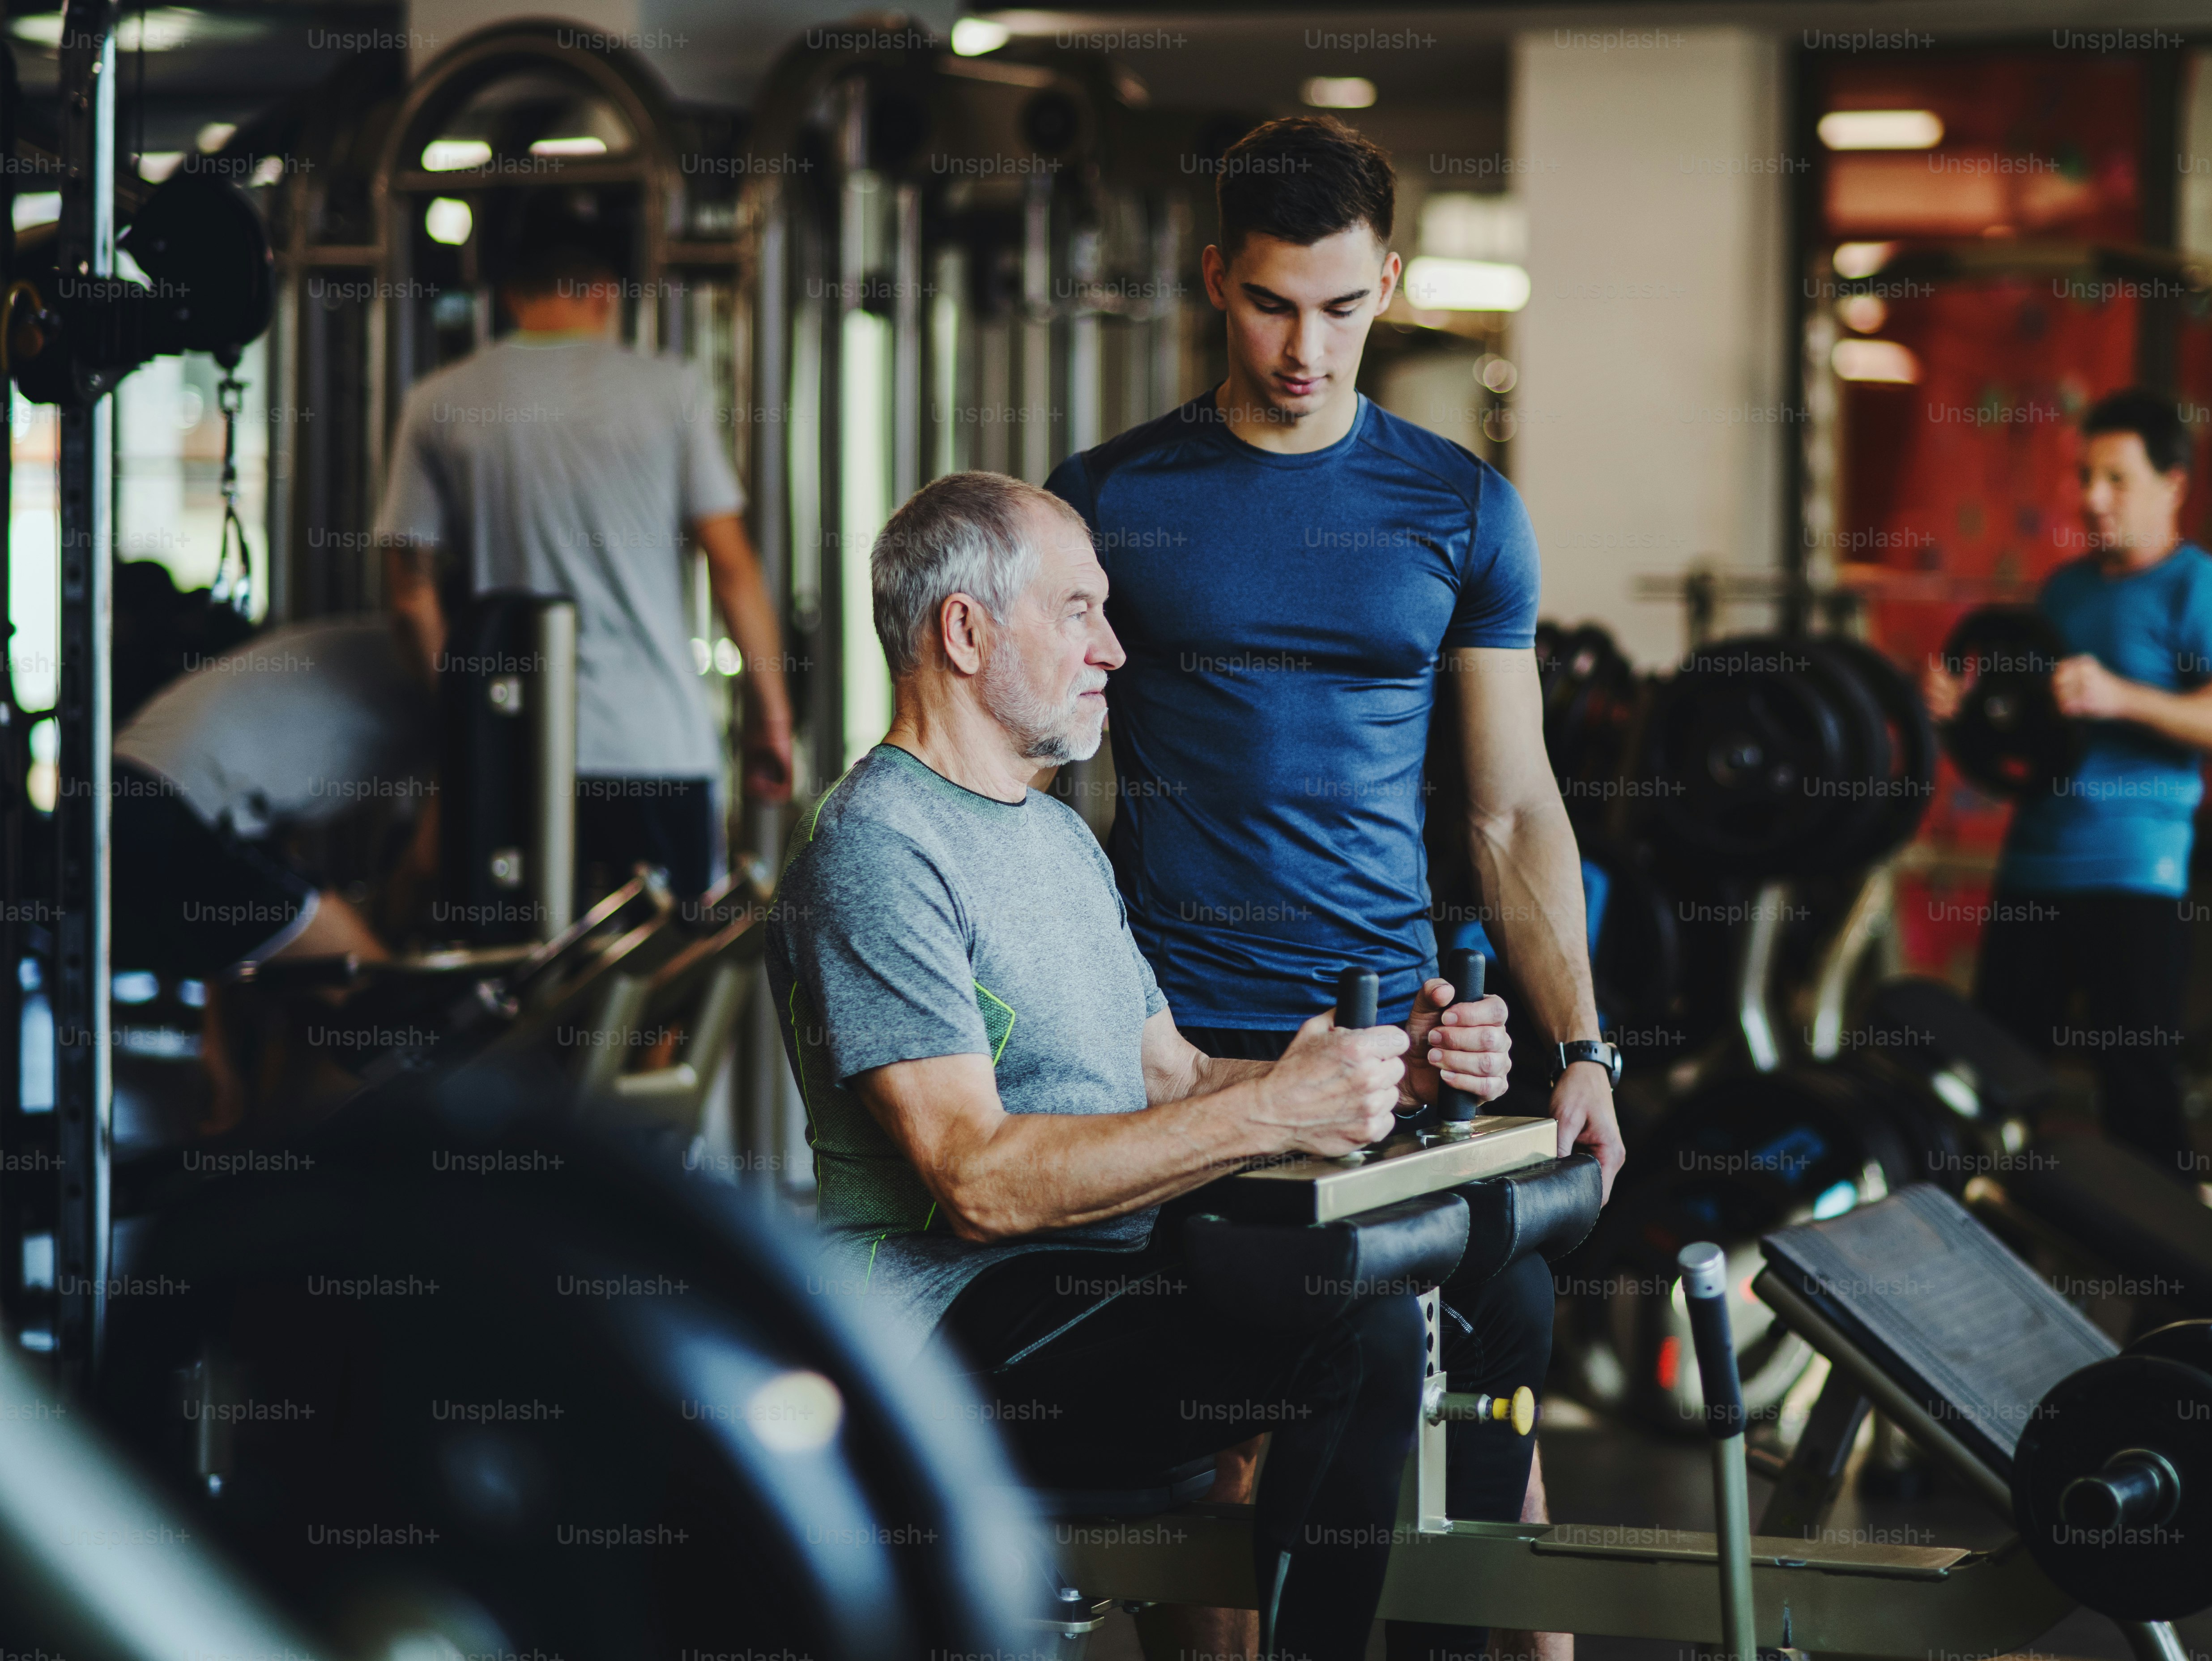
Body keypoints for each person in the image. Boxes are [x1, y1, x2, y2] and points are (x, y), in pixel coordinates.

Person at [764, 470, 1530, 1661]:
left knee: (1486, 1288)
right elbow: (977, 1182)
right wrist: (1279, 1111)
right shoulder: (880, 847)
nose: (1116, 650)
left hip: (1106, 1285)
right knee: (1358, 1333)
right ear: (966, 633)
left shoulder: (1057, 837)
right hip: (951, 1338)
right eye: (1080, 613)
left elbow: (1168, 1079)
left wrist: (1386, 1073)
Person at [1043, 114, 1611, 1661]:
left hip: (1400, 1050)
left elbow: (1507, 808)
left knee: (1488, 1415)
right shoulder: (1107, 499)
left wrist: (1582, 1046)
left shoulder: (1461, 509)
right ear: (1215, 278)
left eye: (1345, 308)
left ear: (1391, 284)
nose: (1308, 348)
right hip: (1182, 1058)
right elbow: (1015, 789)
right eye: (1274, 304)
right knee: (1229, 1445)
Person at [371, 227, 795, 901]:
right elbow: (733, 568)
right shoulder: (670, 389)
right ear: (605, 294)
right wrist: (771, 716)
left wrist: (470, 723)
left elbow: (409, 595)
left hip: (518, 752)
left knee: (523, 981)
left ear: (511, 297)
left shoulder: (438, 398)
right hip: (655, 743)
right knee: (667, 982)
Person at [1923, 388, 2212, 1173]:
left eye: (2115, 478)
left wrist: (2120, 695)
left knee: (2137, 1097)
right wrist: (1961, 708)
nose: (2090, 497)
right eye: (2084, 476)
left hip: (2132, 876)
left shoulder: (2198, 589)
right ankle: (1996, 1263)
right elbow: (2025, 723)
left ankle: (2164, 1292)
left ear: (2172, 482)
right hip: (2034, 864)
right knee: (1997, 1079)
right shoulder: (2063, 590)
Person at [112, 615, 433, 1122]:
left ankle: (252, 1147)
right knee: (390, 1007)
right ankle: (339, 1182)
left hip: (142, 812)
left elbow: (245, 928)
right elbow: (425, 864)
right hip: (169, 820)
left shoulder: (370, 653)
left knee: (305, 993)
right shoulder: (439, 664)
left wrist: (221, 1067)